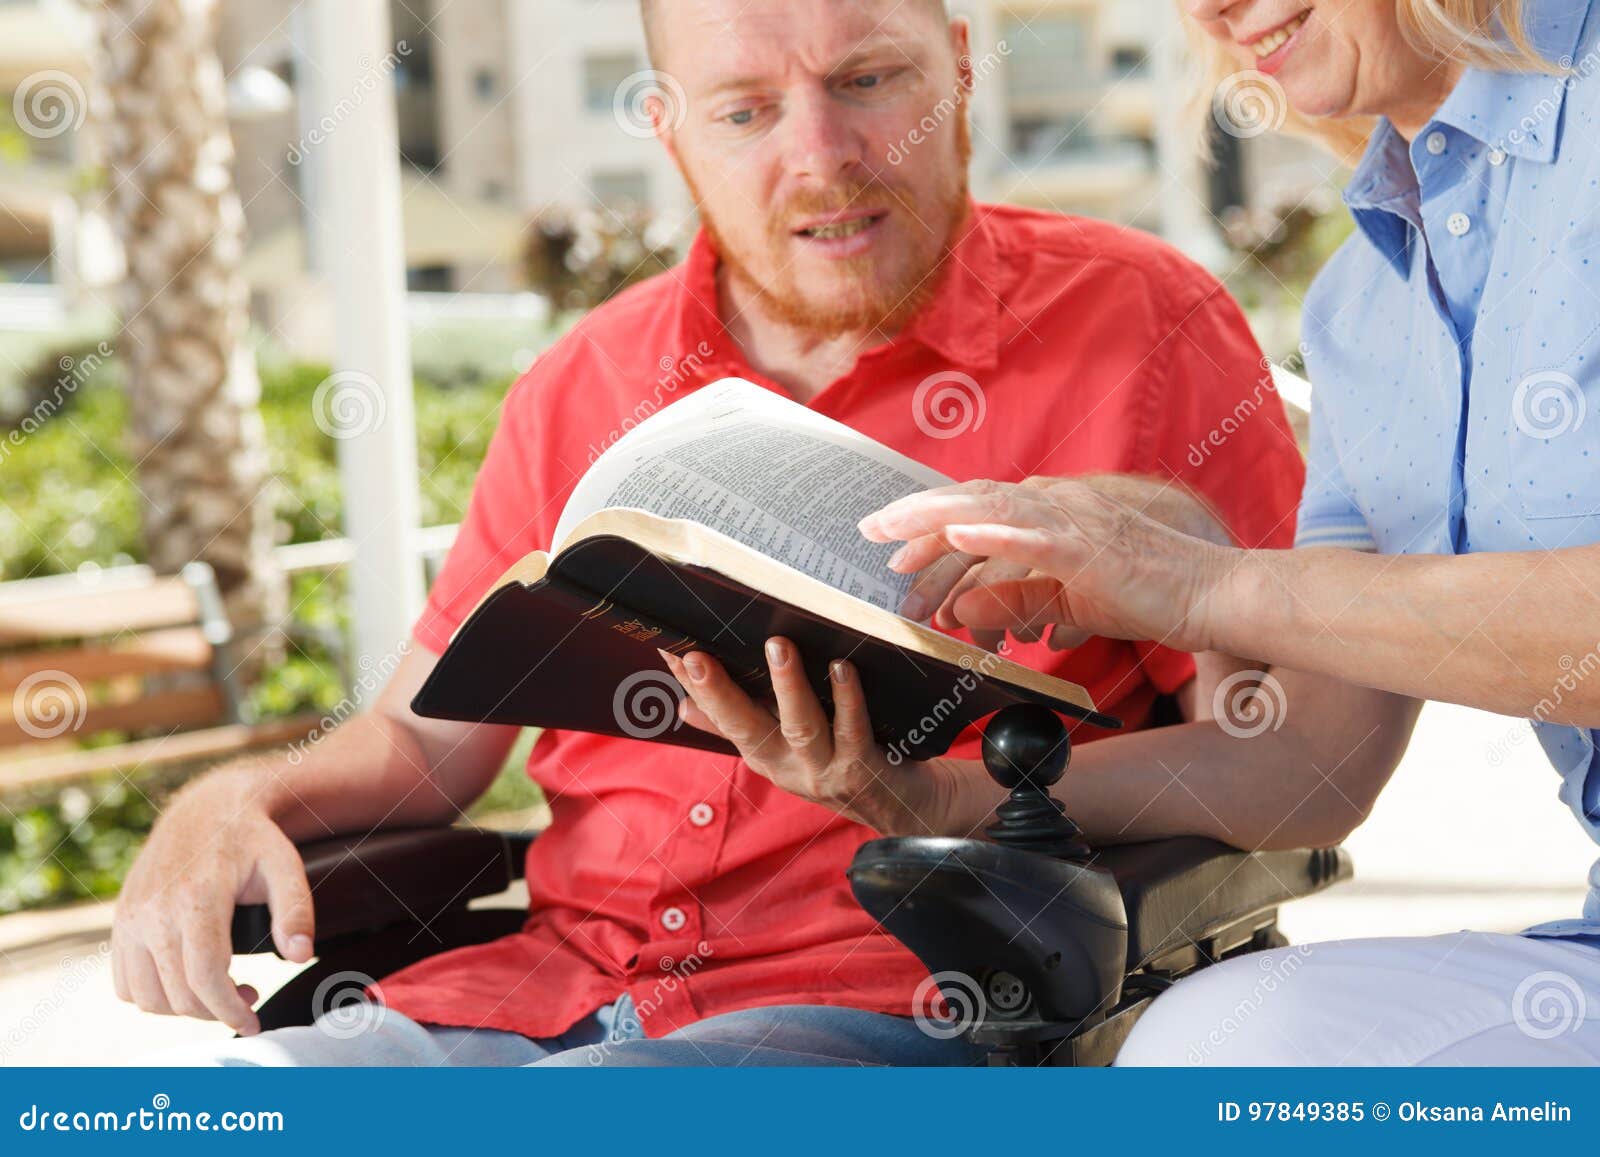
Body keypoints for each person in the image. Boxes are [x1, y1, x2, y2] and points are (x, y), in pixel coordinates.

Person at [117, 0, 1308, 1066]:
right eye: (745, 108)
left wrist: (939, 792)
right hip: (528, 993)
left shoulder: (1146, 325)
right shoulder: (578, 382)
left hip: (886, 1004)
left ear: (957, 71)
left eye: (868, 81)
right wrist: (228, 802)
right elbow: (422, 746)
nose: (822, 155)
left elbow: (1280, 756)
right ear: (668, 124)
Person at [810, 0, 1600, 1065]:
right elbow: (1311, 763)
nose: (1211, 10)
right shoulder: (1365, 306)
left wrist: (1203, 583)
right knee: (1220, 1044)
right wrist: (941, 791)